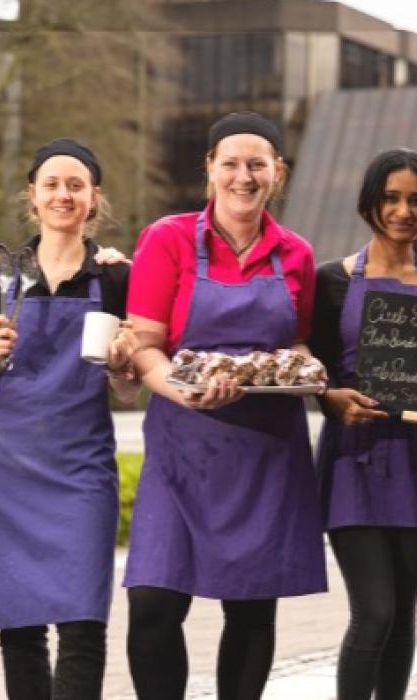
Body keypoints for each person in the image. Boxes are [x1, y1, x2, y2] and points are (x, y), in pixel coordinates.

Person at [122, 112, 327, 699]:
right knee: (154, 604)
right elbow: (144, 345)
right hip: (182, 448)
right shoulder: (167, 238)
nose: (244, 176)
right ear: (209, 169)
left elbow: (295, 341)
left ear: (277, 172)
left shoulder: (296, 254)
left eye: (257, 165)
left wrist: (306, 370)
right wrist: (183, 390)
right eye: (231, 164)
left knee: (252, 609)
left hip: (266, 452)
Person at [0, 138, 137, 700]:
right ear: (33, 196)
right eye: (52, 185)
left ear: (94, 198)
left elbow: (128, 391)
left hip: (81, 468)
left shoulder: (116, 279)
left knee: (83, 622)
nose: (63, 195)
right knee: (19, 626)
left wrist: (122, 366)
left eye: (75, 186)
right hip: (6, 469)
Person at [308, 148, 417, 700]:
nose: (403, 211)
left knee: (404, 613)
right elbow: (310, 371)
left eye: (416, 200)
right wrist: (330, 400)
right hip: (354, 461)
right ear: (369, 202)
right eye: (391, 198)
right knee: (375, 612)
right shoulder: (331, 281)